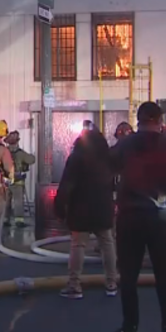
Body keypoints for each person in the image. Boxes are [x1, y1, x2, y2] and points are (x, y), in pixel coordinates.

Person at [110, 102, 166, 332]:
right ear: (160, 120)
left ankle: (129, 328)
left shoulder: (125, 145)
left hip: (131, 216)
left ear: (138, 119)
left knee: (128, 275)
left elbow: (110, 164)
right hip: (163, 217)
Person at [54, 127, 119, 300]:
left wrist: (59, 209)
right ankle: (111, 283)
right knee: (107, 244)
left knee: (78, 245)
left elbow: (66, 186)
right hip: (103, 208)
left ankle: (74, 285)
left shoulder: (76, 158)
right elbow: (114, 185)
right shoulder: (108, 159)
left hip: (80, 209)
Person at [3, 130, 35, 228]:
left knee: (6, 202)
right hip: (18, 182)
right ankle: (19, 221)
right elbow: (31, 160)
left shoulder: (4, 152)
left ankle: (5, 220)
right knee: (18, 202)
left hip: (5, 181)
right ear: (17, 141)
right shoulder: (20, 153)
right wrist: (32, 155)